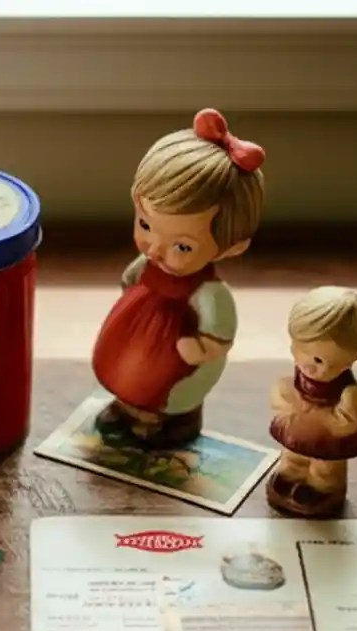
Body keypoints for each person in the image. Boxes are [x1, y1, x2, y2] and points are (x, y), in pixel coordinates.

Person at [92, 108, 266, 448]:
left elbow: (221, 332)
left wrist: (203, 347)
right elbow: (132, 278)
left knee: (162, 387)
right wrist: (131, 294)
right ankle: (127, 407)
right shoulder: (150, 264)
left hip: (177, 356)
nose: (154, 249)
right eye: (145, 225)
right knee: (125, 370)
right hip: (135, 329)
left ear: (231, 248)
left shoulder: (208, 293)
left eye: (183, 245)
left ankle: (158, 420)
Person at [267, 286, 357, 517]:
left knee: (325, 464)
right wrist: (286, 400)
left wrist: (332, 419)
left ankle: (322, 487)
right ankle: (291, 474)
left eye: (336, 364)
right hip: (299, 425)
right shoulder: (300, 374)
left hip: (326, 432)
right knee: (293, 453)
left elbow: (350, 418)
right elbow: (284, 391)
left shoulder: (347, 391)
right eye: (313, 358)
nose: (320, 369)